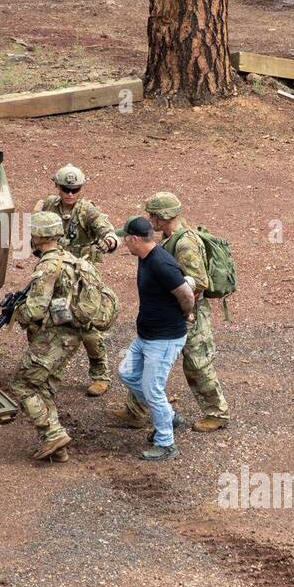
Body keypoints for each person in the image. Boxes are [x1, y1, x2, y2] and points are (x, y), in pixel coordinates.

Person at [113, 193, 230, 434]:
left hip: (190, 314)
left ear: (164, 217)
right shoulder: (168, 237)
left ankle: (217, 413)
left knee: (197, 364)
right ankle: (136, 412)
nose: (150, 219)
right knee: (148, 363)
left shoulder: (185, 243)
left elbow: (199, 282)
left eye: (153, 215)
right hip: (173, 311)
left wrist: (185, 309)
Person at [112, 216, 197, 462]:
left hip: (164, 339)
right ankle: (168, 416)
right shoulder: (144, 257)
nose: (124, 243)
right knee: (126, 373)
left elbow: (186, 294)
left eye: (126, 239)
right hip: (146, 336)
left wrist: (185, 313)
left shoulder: (161, 263)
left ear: (135, 239)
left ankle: (166, 443)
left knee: (152, 391)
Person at [34, 164, 119, 395]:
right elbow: (32, 234)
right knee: (44, 319)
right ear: (57, 186)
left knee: (86, 325)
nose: (70, 194)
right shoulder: (48, 206)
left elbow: (108, 231)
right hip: (54, 273)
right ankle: (45, 369)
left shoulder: (87, 211)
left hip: (82, 278)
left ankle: (100, 374)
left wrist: (108, 241)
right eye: (65, 189)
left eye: (75, 189)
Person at [9, 211, 85, 462]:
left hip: (54, 337)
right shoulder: (69, 258)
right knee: (45, 386)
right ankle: (58, 448)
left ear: (39, 237)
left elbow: (35, 310)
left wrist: (15, 312)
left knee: (22, 384)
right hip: (72, 335)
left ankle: (52, 433)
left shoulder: (48, 265)